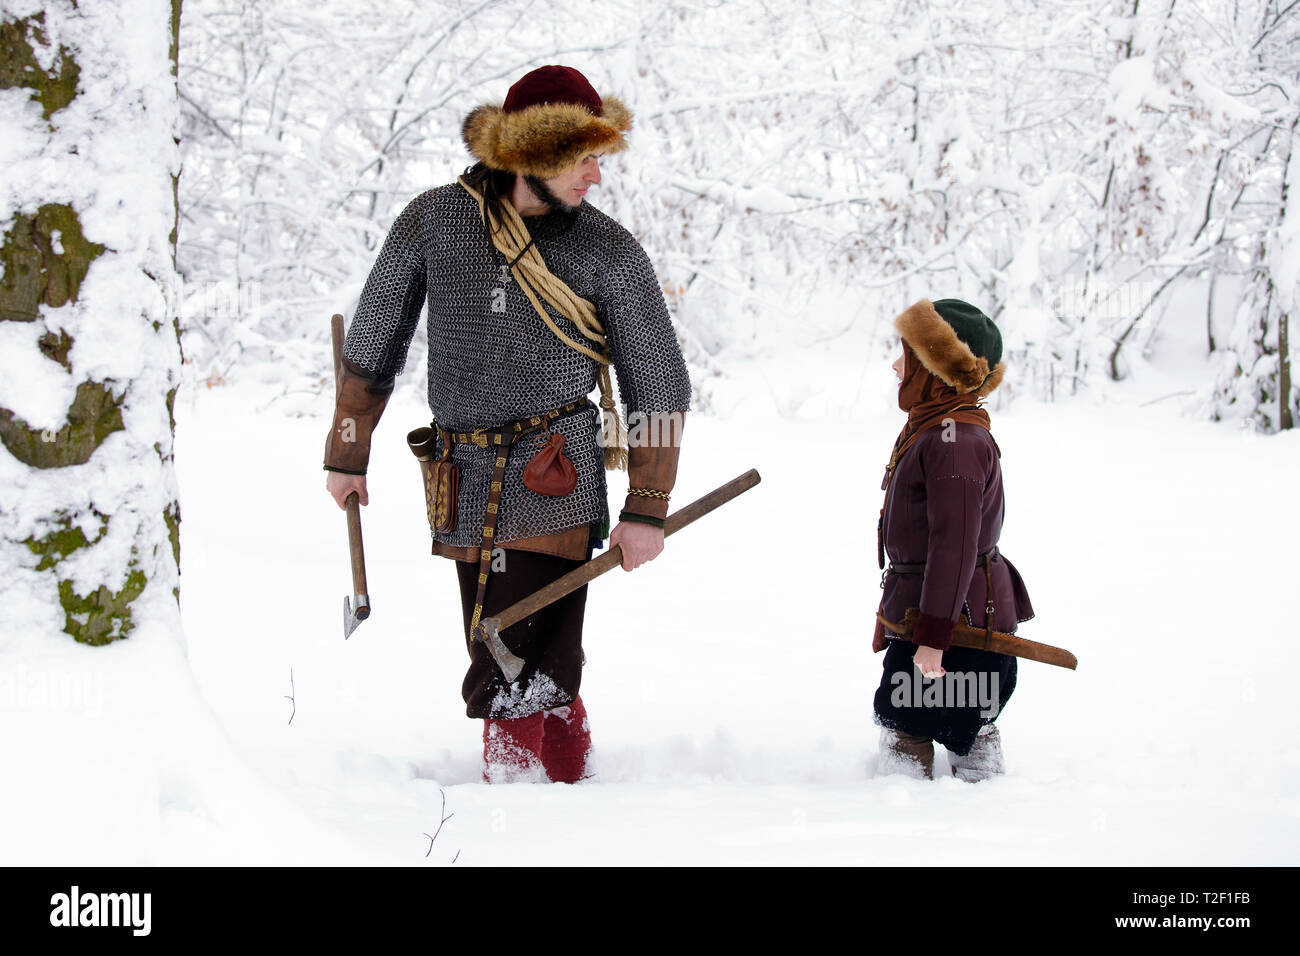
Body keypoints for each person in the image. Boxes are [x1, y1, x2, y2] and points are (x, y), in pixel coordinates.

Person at [323, 65, 691, 784]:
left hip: (554, 474)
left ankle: (519, 806)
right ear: (539, 154)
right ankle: (560, 781)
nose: (597, 175)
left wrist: (647, 505)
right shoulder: (434, 220)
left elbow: (659, 384)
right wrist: (347, 450)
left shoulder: (607, 250)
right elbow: (372, 341)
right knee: (510, 637)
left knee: (514, 647)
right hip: (460, 477)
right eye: (585, 157)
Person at [871, 298, 1034, 782]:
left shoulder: (954, 441)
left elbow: (955, 547)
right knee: (934, 718)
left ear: (936, 369)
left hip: (956, 626)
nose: (895, 365)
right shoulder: (941, 427)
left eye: (907, 354)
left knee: (920, 726)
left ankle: (949, 828)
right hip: (936, 615)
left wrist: (934, 640)